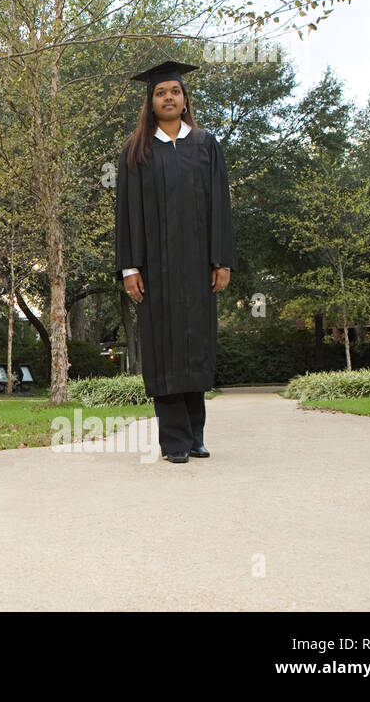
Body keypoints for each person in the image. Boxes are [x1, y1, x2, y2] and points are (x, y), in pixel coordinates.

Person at [115, 60, 235, 463]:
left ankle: (196, 434)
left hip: (197, 268)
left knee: (195, 348)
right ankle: (174, 442)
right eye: (161, 93)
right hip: (156, 271)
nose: (169, 98)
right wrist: (130, 267)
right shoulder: (136, 151)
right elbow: (127, 213)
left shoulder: (205, 145)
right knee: (165, 350)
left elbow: (220, 205)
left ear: (185, 100)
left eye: (175, 92)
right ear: (151, 102)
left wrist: (221, 260)